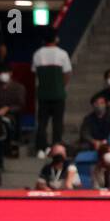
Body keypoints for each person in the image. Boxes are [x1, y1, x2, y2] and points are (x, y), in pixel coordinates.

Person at [32, 29, 72, 158]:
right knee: (57, 123)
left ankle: (40, 149)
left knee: (42, 122)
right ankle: (56, 148)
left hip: (43, 94)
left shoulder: (37, 54)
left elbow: (35, 73)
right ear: (56, 39)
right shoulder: (62, 54)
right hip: (58, 94)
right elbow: (67, 73)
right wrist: (60, 86)